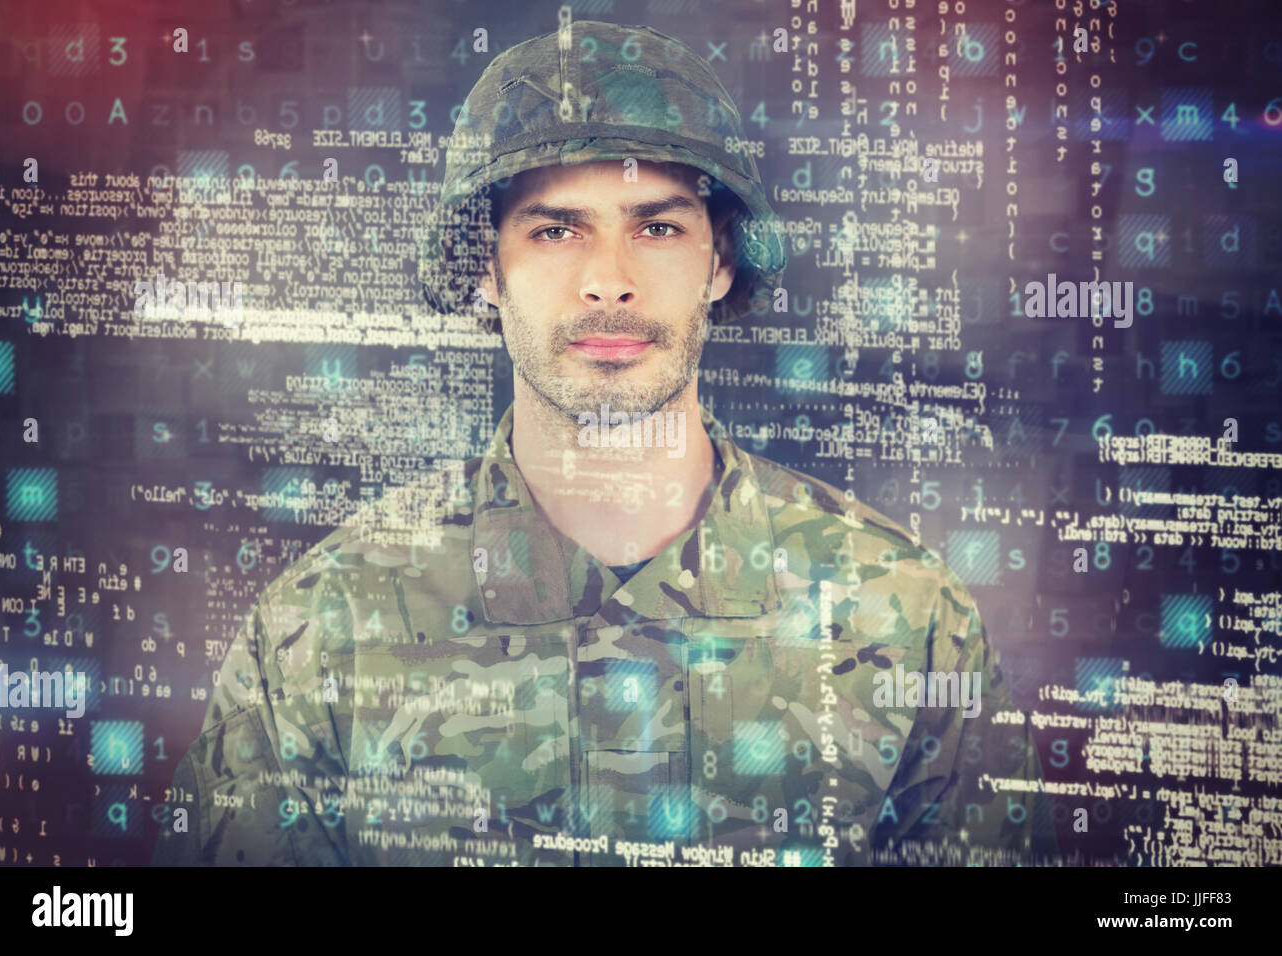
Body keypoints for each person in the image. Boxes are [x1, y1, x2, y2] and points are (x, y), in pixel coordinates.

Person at [153, 20, 1058, 867]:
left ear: (720, 262)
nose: (609, 283)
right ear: (485, 269)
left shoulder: (902, 612)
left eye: (658, 228)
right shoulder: (325, 628)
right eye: (555, 229)